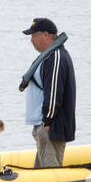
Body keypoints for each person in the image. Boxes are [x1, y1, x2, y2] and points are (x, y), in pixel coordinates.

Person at [22, 17, 76, 168]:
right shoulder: (49, 56)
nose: (31, 40)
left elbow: (54, 94)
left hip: (50, 128)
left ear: (45, 35)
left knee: (51, 173)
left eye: (33, 36)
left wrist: (47, 121)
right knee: (40, 173)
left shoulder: (55, 57)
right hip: (44, 126)